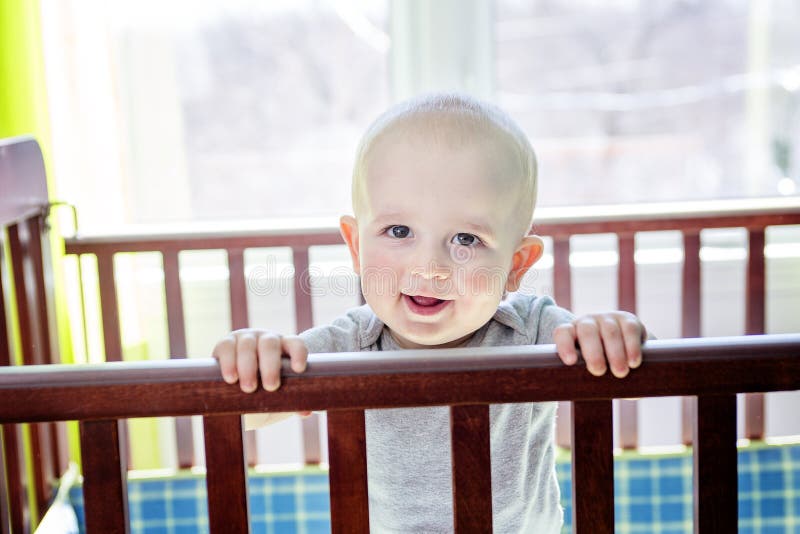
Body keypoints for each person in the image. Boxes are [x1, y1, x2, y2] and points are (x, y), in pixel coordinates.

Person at [212, 93, 647, 532]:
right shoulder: (352, 343)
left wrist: (606, 331)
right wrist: (250, 359)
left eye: (466, 239)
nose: (430, 268)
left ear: (516, 265)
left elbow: (605, 356)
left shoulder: (534, 331)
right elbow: (244, 411)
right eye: (399, 231)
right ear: (357, 246)